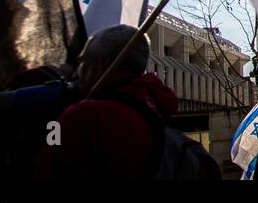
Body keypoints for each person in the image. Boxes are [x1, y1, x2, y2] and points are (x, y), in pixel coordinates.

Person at [36, 24, 218, 179]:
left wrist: (53, 124)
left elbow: (47, 169)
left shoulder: (83, 117)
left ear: (101, 64)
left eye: (83, 62)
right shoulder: (155, 119)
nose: (78, 72)